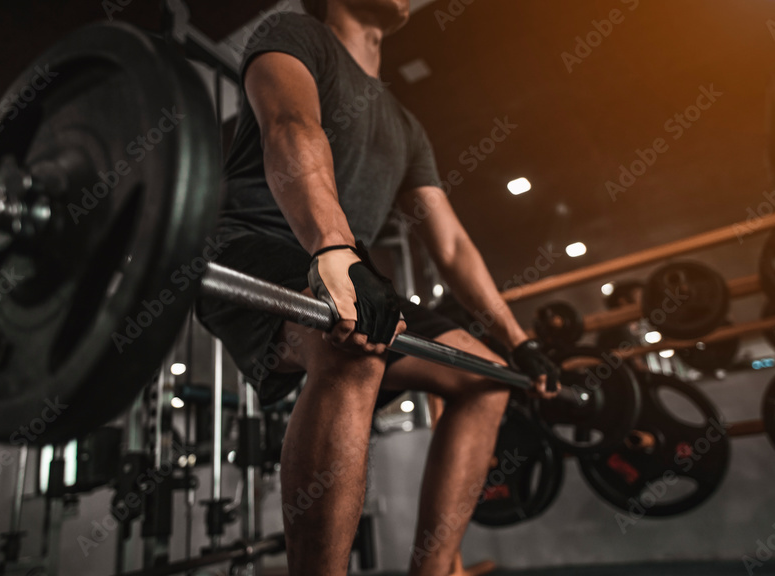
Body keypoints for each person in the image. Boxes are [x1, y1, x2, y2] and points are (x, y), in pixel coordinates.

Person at [196, 1, 559, 573]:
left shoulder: (407, 126)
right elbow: (292, 125)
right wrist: (334, 248)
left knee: (487, 380)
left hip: (343, 264)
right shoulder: (294, 34)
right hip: (247, 249)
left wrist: (519, 341)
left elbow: (452, 247)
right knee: (355, 342)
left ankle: (436, 570)